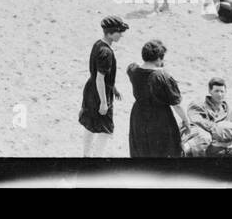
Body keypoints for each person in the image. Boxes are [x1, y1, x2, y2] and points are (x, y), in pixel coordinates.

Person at [126, 39, 187, 158]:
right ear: (159, 58)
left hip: (138, 115)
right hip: (159, 117)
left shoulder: (133, 70)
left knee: (141, 150)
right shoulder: (162, 76)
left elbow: (138, 66)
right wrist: (186, 120)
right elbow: (176, 104)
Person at [80, 16, 128, 157]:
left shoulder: (98, 44)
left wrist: (113, 87)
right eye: (119, 32)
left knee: (90, 125)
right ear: (111, 33)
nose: (121, 35)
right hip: (99, 93)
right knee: (106, 130)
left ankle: (86, 156)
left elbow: (100, 75)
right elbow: (100, 78)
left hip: (91, 89)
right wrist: (104, 102)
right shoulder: (106, 52)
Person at [184, 78, 232, 157]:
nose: (220, 94)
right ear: (210, 91)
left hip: (217, 141)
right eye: (216, 91)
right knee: (204, 138)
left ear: (225, 92)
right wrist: (219, 130)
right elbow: (199, 122)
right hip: (197, 138)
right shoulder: (197, 105)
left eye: (222, 91)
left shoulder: (227, 110)